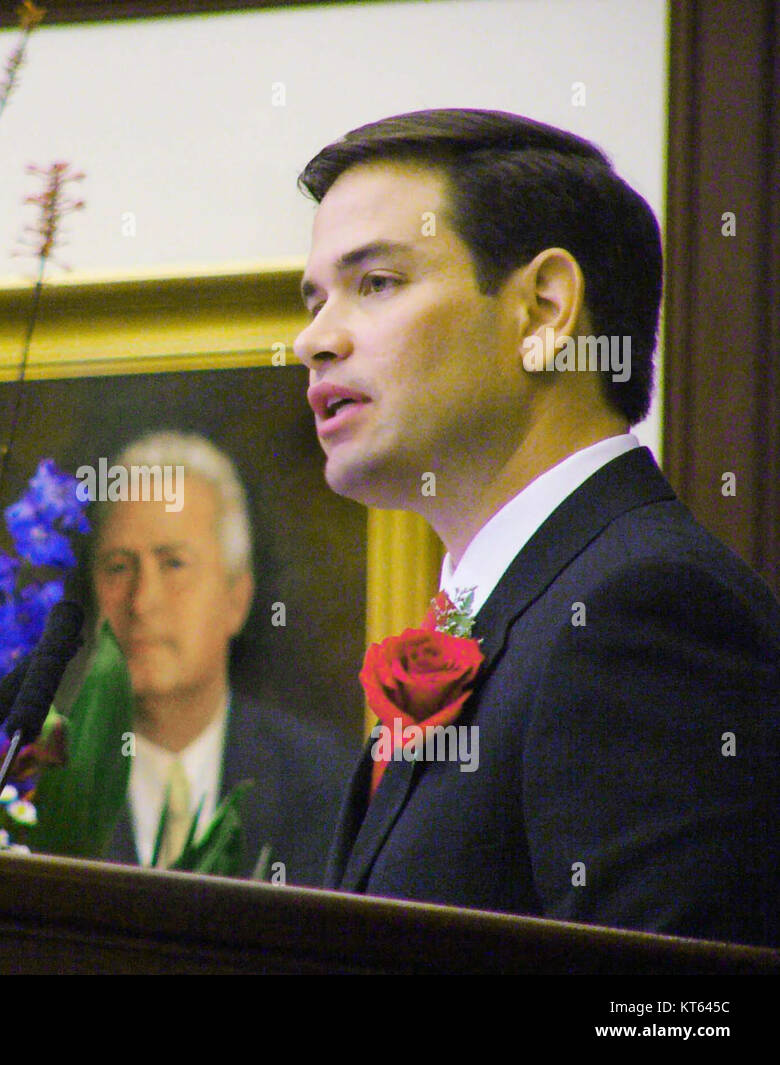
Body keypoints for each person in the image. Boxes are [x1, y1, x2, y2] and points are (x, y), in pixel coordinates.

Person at [294, 108, 780, 946]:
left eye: (375, 283)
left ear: (546, 309)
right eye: (313, 299)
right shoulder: (519, 604)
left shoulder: (644, 610)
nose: (313, 339)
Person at [88, 431, 346, 885]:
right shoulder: (37, 780)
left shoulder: (328, 784)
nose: (142, 601)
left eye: (174, 564)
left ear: (235, 598)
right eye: (118, 566)